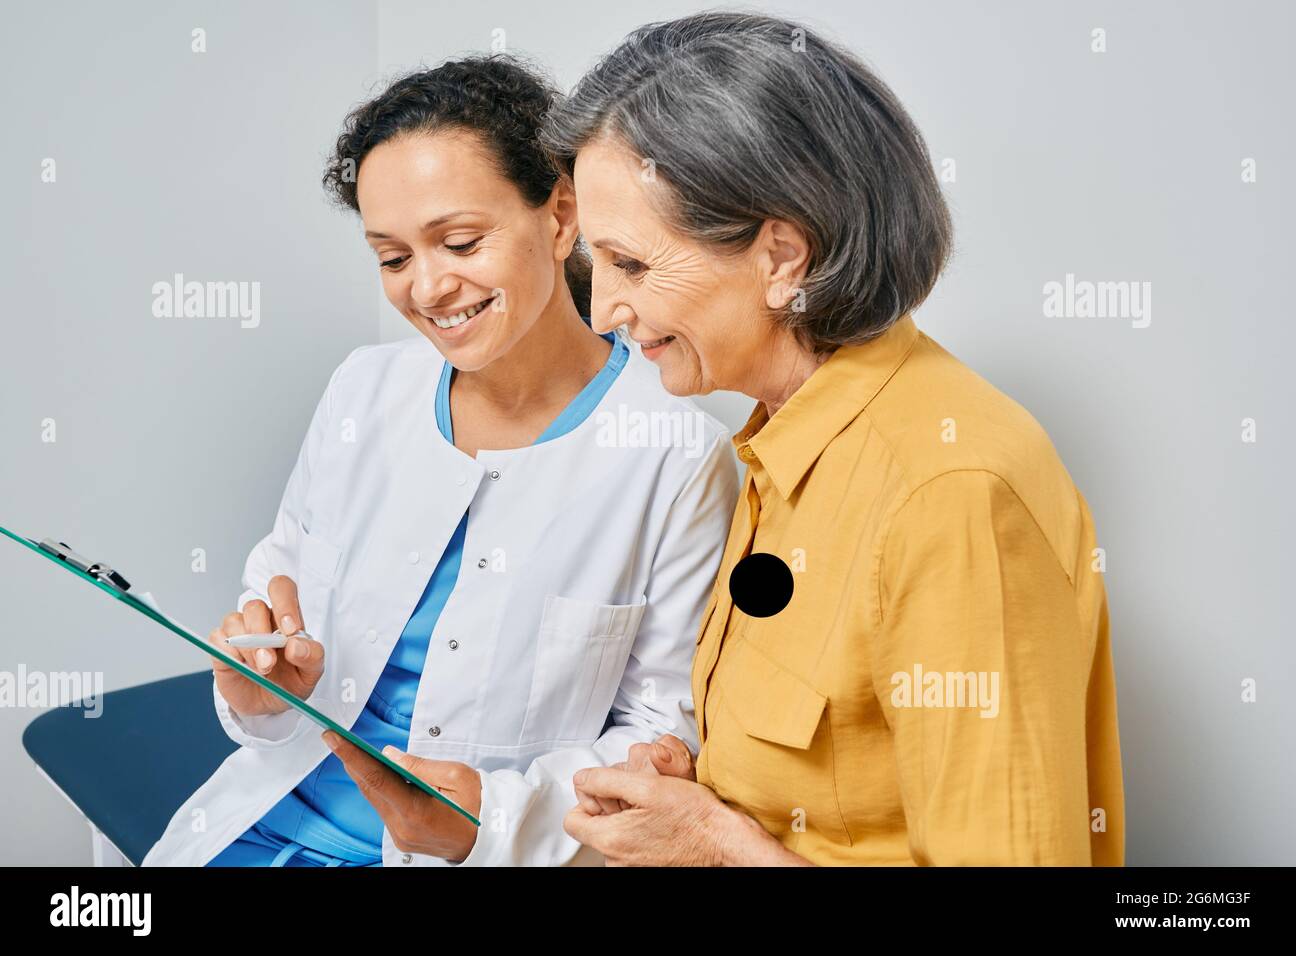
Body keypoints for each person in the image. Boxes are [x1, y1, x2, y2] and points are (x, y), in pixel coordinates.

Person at [546, 12, 1126, 865]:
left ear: (782, 258)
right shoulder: (782, 443)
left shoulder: (950, 492)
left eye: (631, 265)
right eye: (596, 270)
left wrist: (715, 846)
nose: (604, 313)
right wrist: (702, 791)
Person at [142, 55, 737, 867]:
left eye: (460, 242)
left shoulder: (675, 453)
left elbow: (660, 737)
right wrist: (258, 691)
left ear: (561, 216)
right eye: (391, 258)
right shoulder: (363, 390)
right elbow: (275, 595)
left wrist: (493, 817)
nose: (427, 287)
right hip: (266, 820)